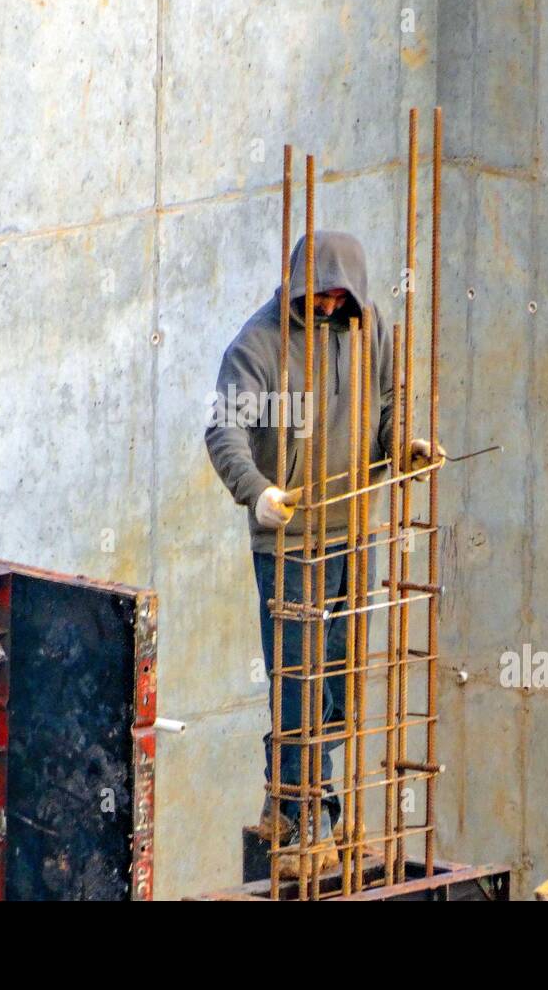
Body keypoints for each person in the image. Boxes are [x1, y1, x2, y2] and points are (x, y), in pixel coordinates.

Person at [205, 230, 443, 873]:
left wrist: (403, 446)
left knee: (335, 674)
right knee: (297, 678)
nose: (333, 304)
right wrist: (257, 492)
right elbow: (223, 427)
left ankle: (296, 802)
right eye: (322, 292)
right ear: (299, 285)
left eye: (343, 294)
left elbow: (389, 402)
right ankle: (308, 811)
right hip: (289, 538)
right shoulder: (258, 346)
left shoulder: (371, 330)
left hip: (352, 529)